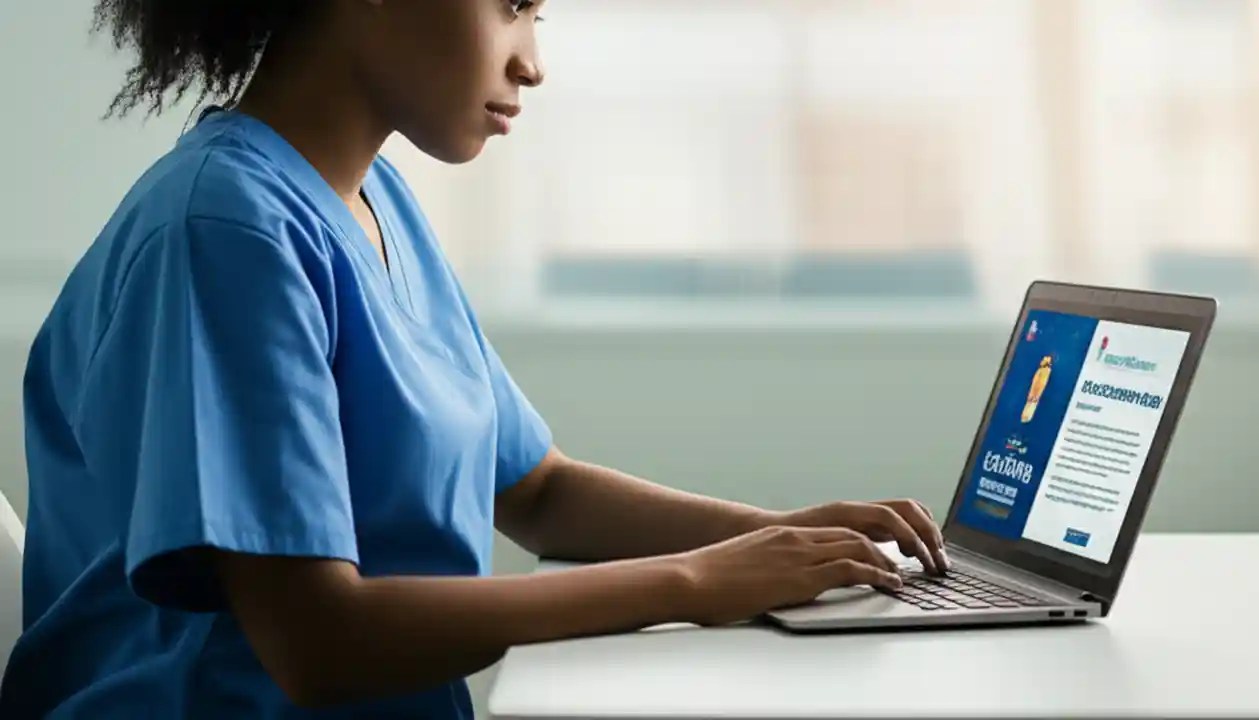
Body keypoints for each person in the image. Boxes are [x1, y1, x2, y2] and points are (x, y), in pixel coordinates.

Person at [0, 1, 950, 718]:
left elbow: (535, 490)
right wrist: (697, 584)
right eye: (512, 5)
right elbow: (316, 642)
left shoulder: (376, 202)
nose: (532, 63)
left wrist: (786, 540)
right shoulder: (226, 230)